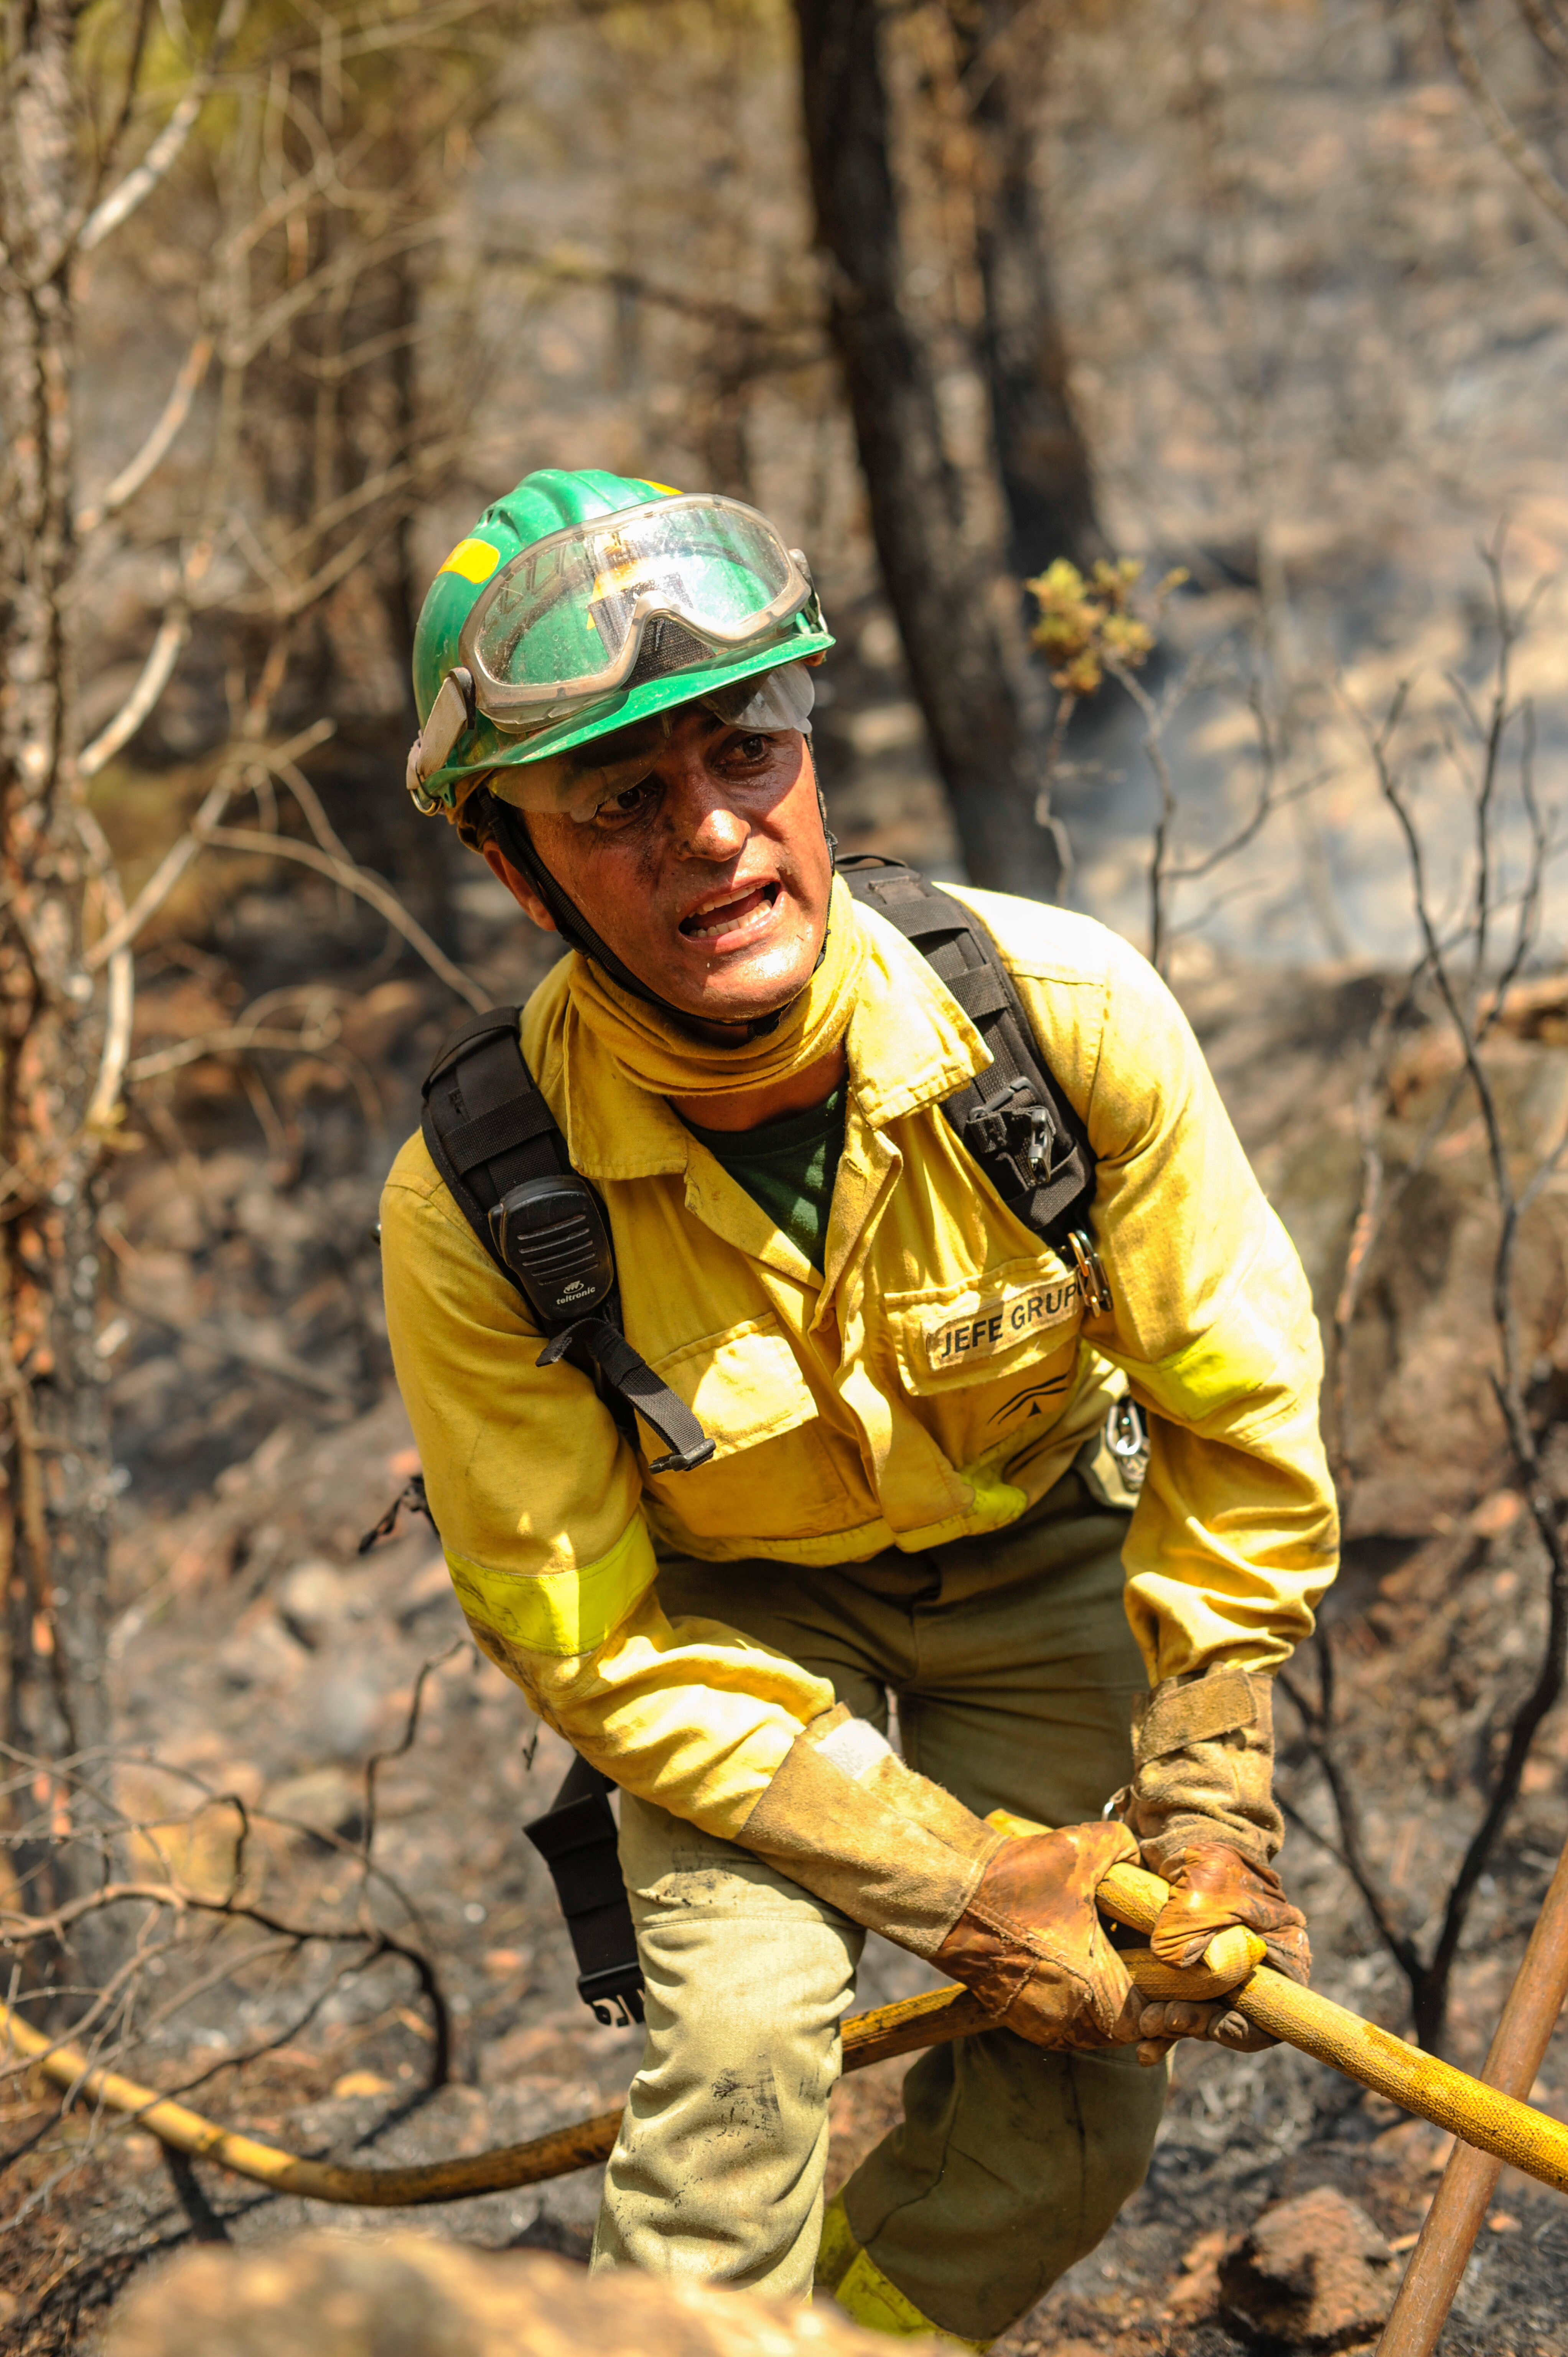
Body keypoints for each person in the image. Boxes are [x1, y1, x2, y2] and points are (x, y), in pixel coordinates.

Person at [381, 468, 1337, 2349]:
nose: (708, 832)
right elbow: (587, 1640)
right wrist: (959, 1881)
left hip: (1041, 1553)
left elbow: (1234, 1421)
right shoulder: (475, 1203)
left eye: (745, 751)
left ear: (812, 760)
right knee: (740, 2060)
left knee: (1075, 2103)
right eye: (616, 800)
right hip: (732, 1635)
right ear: (516, 866)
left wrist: (1208, 1790)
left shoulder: (1063, 1022)